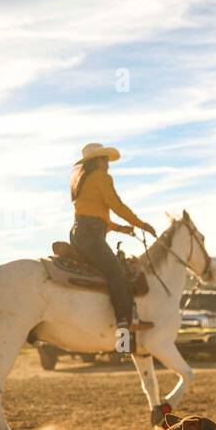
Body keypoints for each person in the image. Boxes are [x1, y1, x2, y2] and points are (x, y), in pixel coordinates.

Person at [70, 142, 157, 333]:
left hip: (81, 234)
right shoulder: (102, 178)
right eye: (105, 159)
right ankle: (124, 323)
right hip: (91, 236)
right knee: (116, 272)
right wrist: (140, 224)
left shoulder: (83, 180)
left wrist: (122, 229)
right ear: (98, 161)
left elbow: (93, 216)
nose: (108, 163)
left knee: (113, 269)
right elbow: (117, 205)